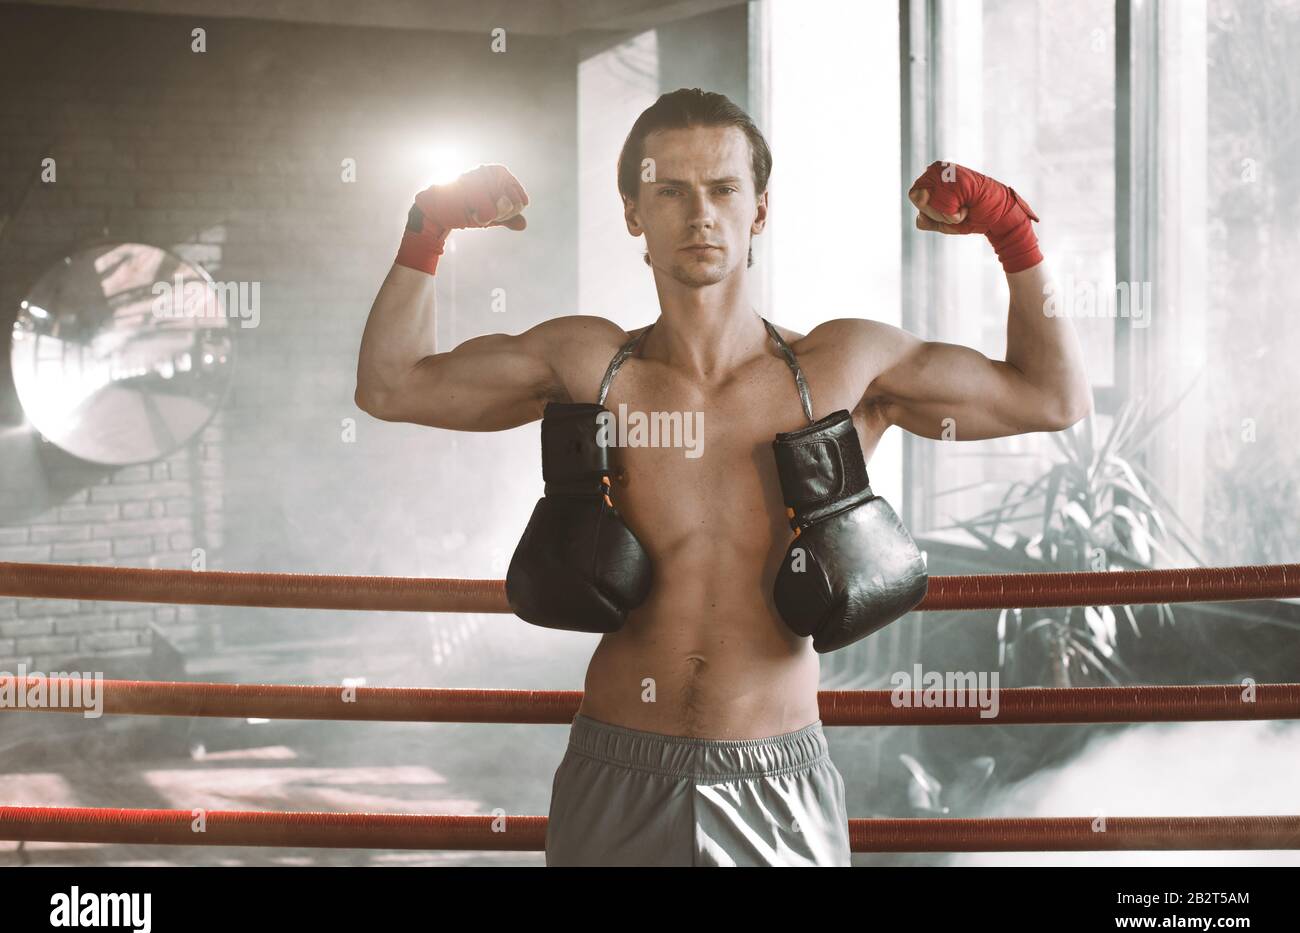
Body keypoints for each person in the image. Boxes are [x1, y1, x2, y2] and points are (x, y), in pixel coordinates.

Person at [354, 88, 1092, 866]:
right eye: (669, 191)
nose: (699, 214)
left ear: (760, 212)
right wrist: (426, 230)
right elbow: (390, 386)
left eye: (722, 189)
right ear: (634, 213)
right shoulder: (587, 366)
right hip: (619, 767)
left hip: (776, 779)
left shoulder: (844, 368)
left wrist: (1014, 233)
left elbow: (1051, 396)